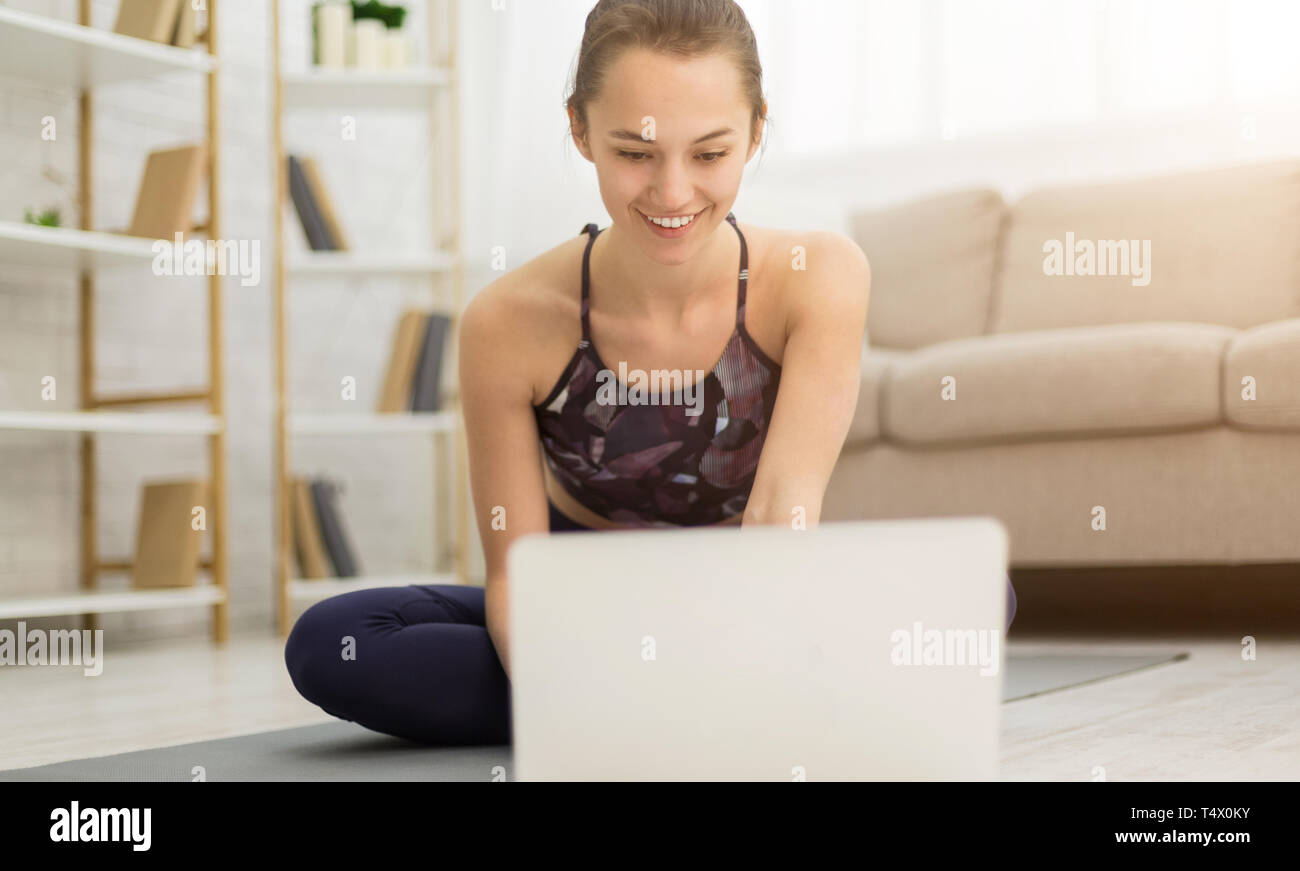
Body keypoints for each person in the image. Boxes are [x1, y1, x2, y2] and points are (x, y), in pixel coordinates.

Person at [285, 0, 1013, 747]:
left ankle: (654, 701)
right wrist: (559, 673)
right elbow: (516, 575)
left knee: (973, 597)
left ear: (757, 128)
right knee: (333, 640)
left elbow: (779, 522)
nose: (672, 194)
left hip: (749, 593)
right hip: (581, 608)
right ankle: (723, 702)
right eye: (635, 152)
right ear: (580, 129)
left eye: (708, 154)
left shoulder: (818, 276)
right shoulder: (505, 321)